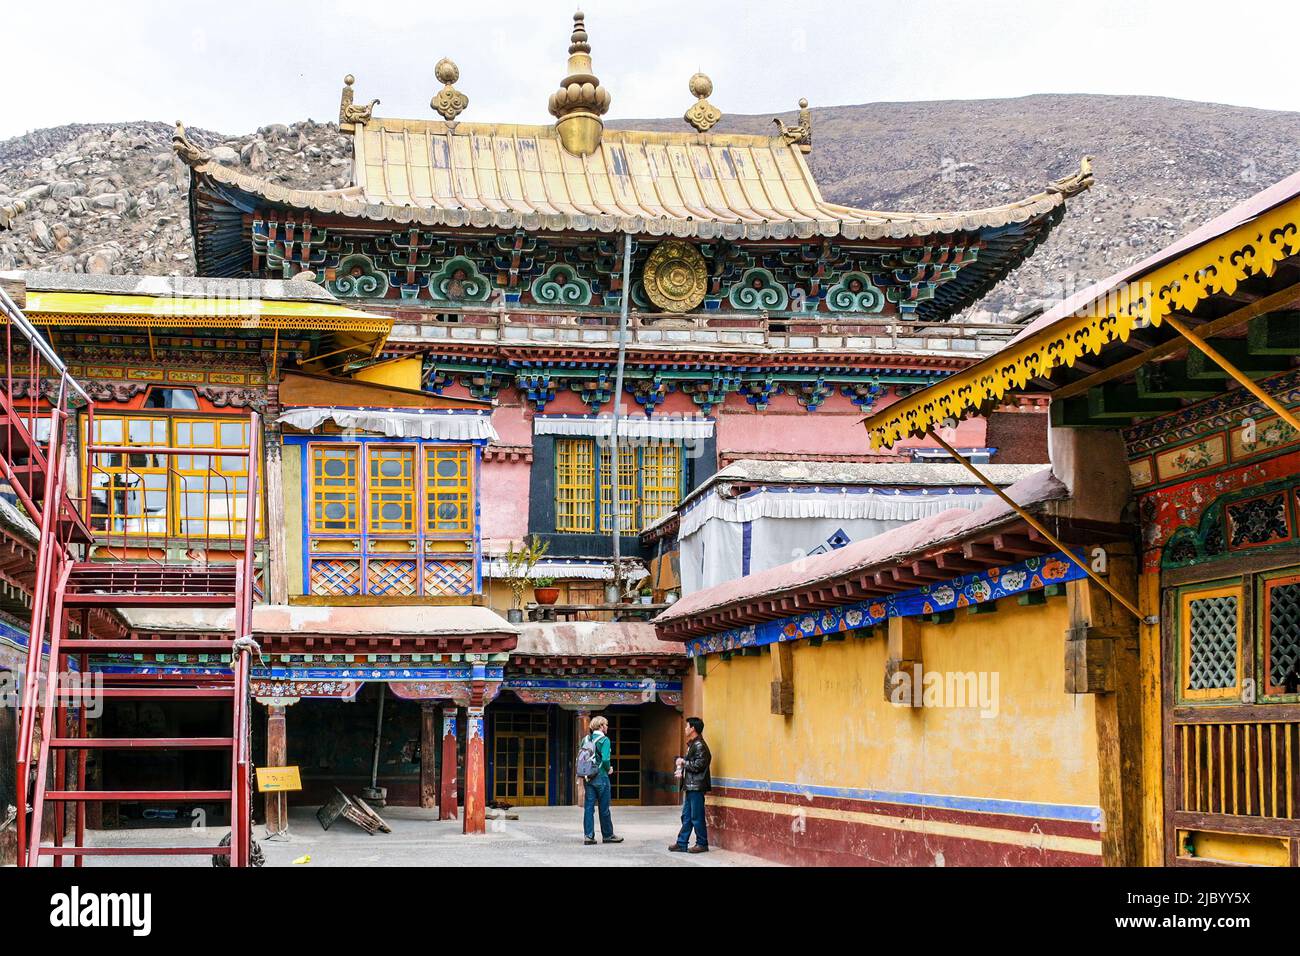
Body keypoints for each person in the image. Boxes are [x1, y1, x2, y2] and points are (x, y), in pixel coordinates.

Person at [580, 715, 623, 845]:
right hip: (601, 776)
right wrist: (608, 768)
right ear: (601, 726)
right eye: (606, 724)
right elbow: (605, 759)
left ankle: (589, 836)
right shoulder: (605, 740)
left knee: (589, 808)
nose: (607, 727)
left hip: (588, 777)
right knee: (604, 808)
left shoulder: (585, 739)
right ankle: (608, 835)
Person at [670, 716, 711, 853]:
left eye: (687, 726)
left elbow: (699, 765)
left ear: (693, 729)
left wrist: (683, 763)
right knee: (686, 816)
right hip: (691, 785)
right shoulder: (693, 744)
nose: (686, 728)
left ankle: (702, 843)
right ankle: (682, 842)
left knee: (696, 816)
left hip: (696, 786)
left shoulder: (700, 745)